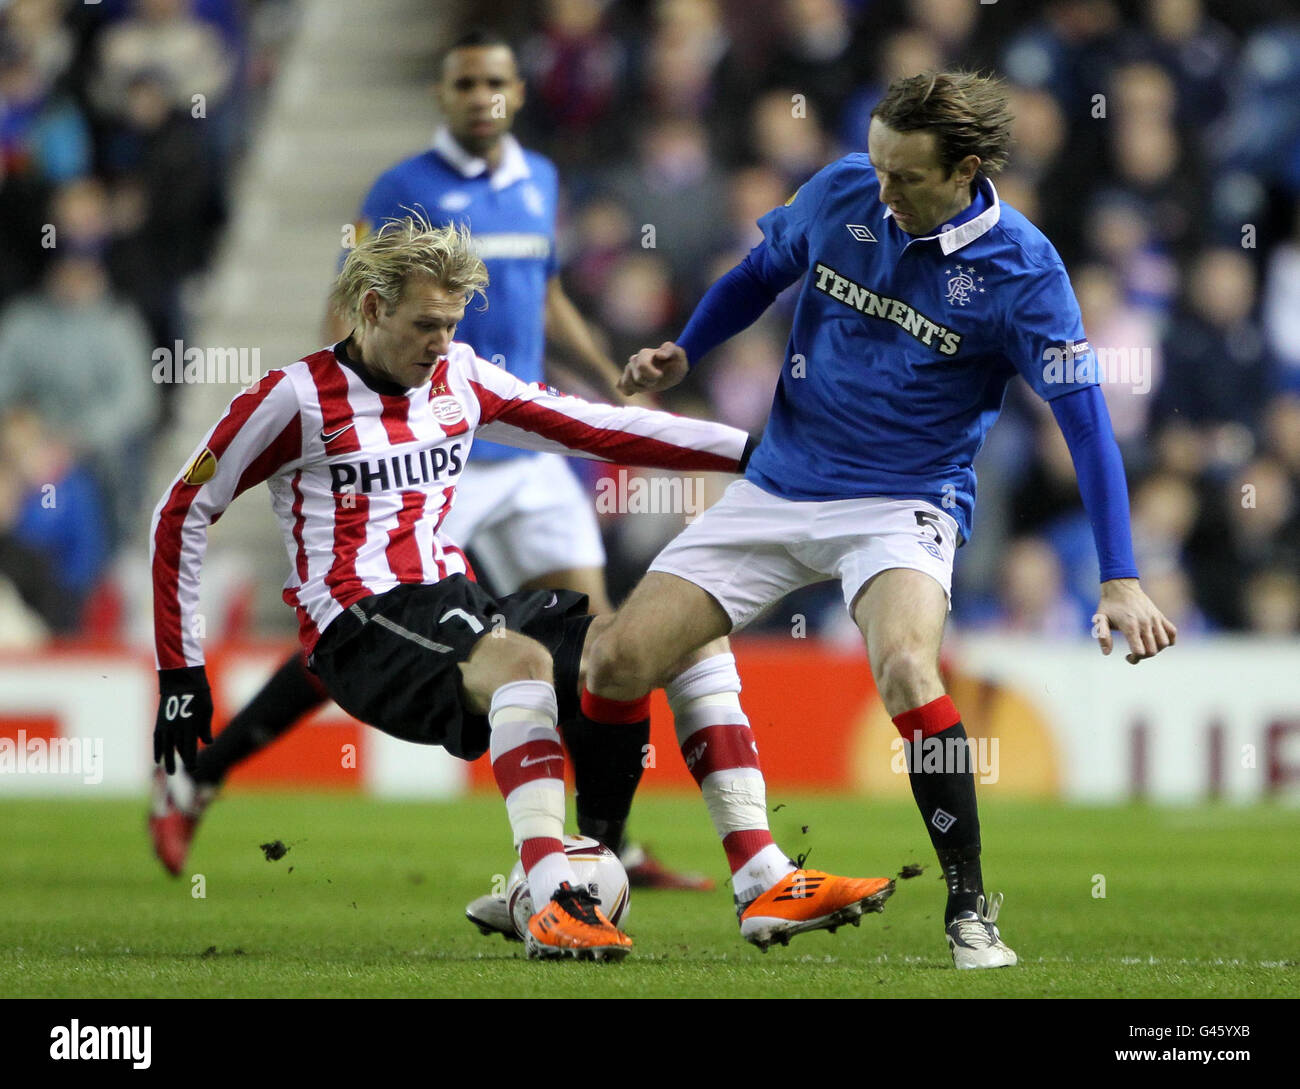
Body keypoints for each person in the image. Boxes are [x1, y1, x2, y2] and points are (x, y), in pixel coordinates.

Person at [150, 218, 892, 958]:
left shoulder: (460, 377)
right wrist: (181, 669)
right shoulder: (295, 398)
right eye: (425, 325)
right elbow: (181, 511)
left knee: (682, 635)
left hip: (456, 603)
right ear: (371, 309)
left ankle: (761, 876)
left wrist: (755, 453)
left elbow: (597, 428)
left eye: (451, 323)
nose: (440, 342)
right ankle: (549, 896)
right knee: (524, 664)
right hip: (359, 625)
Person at [578, 71, 1178, 969]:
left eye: (905, 176)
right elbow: (756, 275)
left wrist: (1119, 574)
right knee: (619, 659)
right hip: (781, 482)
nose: (882, 190)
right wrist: (686, 348)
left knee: (904, 665)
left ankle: (970, 907)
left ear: (967, 169)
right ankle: (588, 871)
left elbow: (1085, 425)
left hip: (905, 501)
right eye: (877, 164)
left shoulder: (1025, 270)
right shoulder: (844, 189)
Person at [150, 28, 712, 898]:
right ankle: (209, 770)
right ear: (443, 95)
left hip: (505, 431)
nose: (483, 94)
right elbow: (353, 298)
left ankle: (605, 848)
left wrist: (608, 380)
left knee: (604, 644)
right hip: (434, 455)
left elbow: (550, 292)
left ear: (519, 91)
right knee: (391, 630)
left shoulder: (541, 180)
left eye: (497, 79)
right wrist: (346, 420)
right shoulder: (401, 190)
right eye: (465, 82)